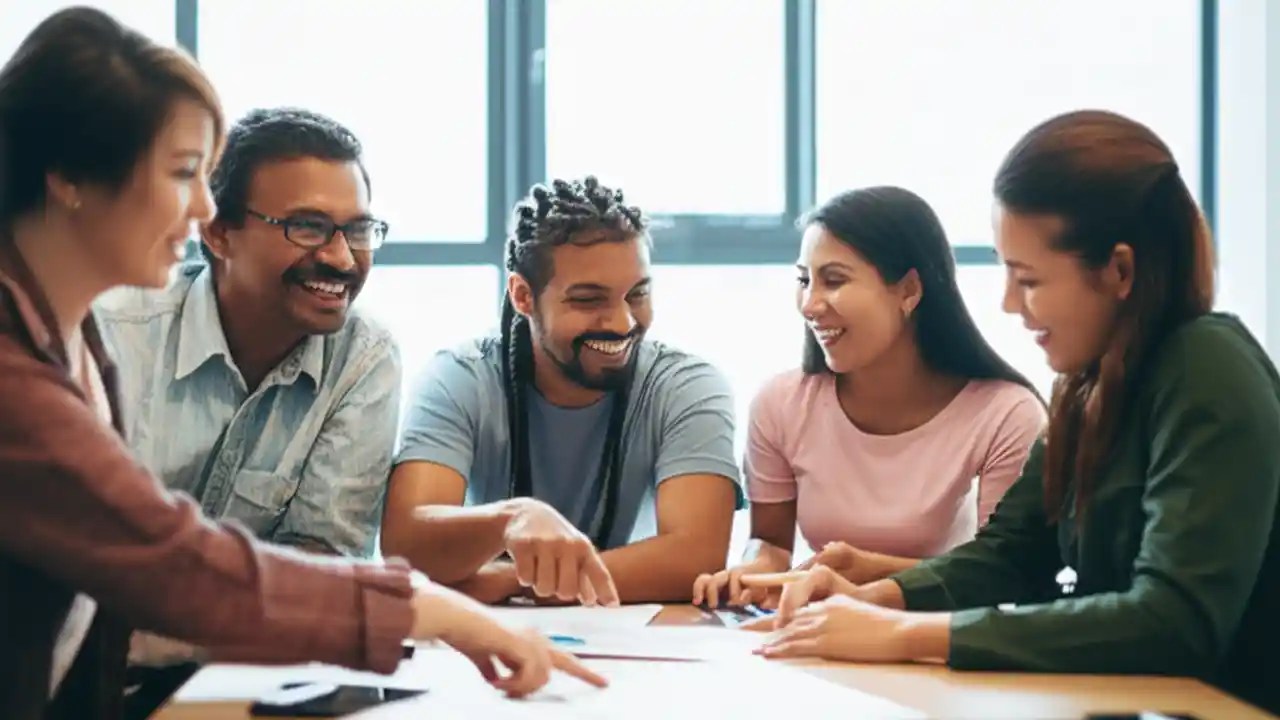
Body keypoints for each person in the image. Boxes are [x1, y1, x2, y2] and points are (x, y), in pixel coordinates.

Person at [0, 9, 601, 718]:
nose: (200, 208)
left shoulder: (73, 344)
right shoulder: (18, 376)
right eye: (184, 173)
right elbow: (163, 558)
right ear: (70, 175)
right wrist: (428, 608)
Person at [740, 110, 1280, 715]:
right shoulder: (1089, 387)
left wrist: (904, 634)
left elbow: (1175, 619)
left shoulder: (1207, 365)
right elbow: (1012, 553)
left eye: (1027, 280)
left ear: (1119, 271)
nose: (1007, 303)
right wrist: (879, 598)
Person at [382, 176, 742, 605]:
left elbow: (696, 557)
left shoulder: (687, 386)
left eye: (638, 294)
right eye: (590, 300)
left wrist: (516, 580)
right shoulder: (460, 377)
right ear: (522, 296)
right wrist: (512, 519)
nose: (623, 323)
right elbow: (405, 543)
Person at [692, 186, 1044, 610]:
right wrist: (750, 570)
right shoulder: (780, 404)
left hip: (937, 634)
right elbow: (770, 543)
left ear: (909, 291)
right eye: (804, 280)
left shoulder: (1006, 414)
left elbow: (1003, 575)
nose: (809, 304)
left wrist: (869, 570)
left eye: (834, 280)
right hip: (823, 633)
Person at [97, 107, 398, 559]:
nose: (342, 259)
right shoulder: (116, 336)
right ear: (218, 234)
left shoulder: (362, 358)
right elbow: (83, 545)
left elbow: (327, 561)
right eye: (308, 228)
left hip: (253, 627)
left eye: (356, 230)